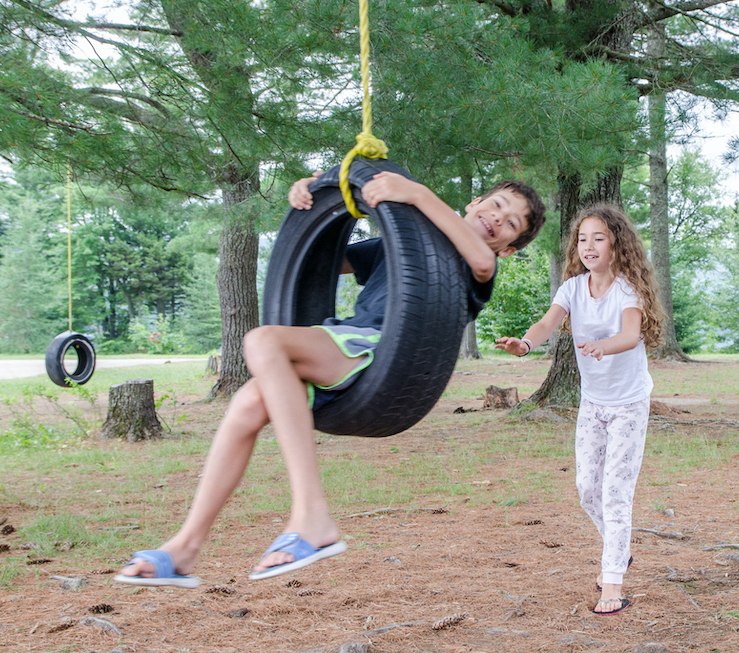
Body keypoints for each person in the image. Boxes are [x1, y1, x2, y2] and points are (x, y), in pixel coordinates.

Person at [115, 169, 545, 588]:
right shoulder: (404, 243)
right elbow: (318, 257)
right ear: (475, 202)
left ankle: (312, 515)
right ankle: (185, 547)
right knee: (247, 402)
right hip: (341, 345)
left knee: (263, 341)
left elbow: (481, 262)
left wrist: (416, 193)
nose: (497, 218)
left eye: (511, 224)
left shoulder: (472, 266)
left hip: (381, 353)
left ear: (508, 250)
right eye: (496, 205)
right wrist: (314, 199)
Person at [495, 204, 662, 616]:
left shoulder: (627, 290)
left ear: (617, 245)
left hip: (628, 404)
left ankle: (612, 583)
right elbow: (546, 324)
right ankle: (618, 550)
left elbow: (630, 334)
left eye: (598, 238)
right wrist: (525, 344)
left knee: (616, 493)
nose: (588, 246)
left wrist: (603, 346)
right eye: (582, 239)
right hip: (593, 403)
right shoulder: (572, 289)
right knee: (587, 489)